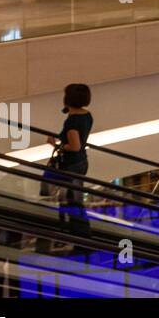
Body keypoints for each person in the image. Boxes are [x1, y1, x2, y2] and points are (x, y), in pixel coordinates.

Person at [45, 83, 93, 238]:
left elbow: (74, 146)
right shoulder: (87, 115)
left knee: (73, 201)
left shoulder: (72, 121)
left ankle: (79, 234)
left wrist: (58, 145)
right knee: (74, 198)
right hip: (82, 162)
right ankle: (77, 232)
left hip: (72, 164)